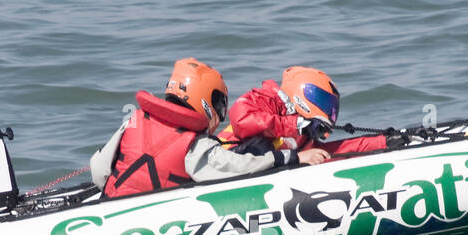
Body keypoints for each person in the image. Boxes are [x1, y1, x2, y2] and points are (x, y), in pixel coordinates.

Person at [92, 59, 327, 198]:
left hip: (110, 204)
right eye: (218, 104)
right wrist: (293, 157)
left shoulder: (134, 120)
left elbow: (99, 170)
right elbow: (242, 168)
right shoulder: (196, 144)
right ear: (203, 100)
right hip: (157, 223)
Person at [218, 65, 392, 167]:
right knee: (261, 146)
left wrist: (386, 142)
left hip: (255, 169)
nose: (329, 110)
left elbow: (332, 152)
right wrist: (296, 125)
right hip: (222, 166)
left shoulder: (302, 134)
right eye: (323, 100)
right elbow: (242, 121)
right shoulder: (267, 100)